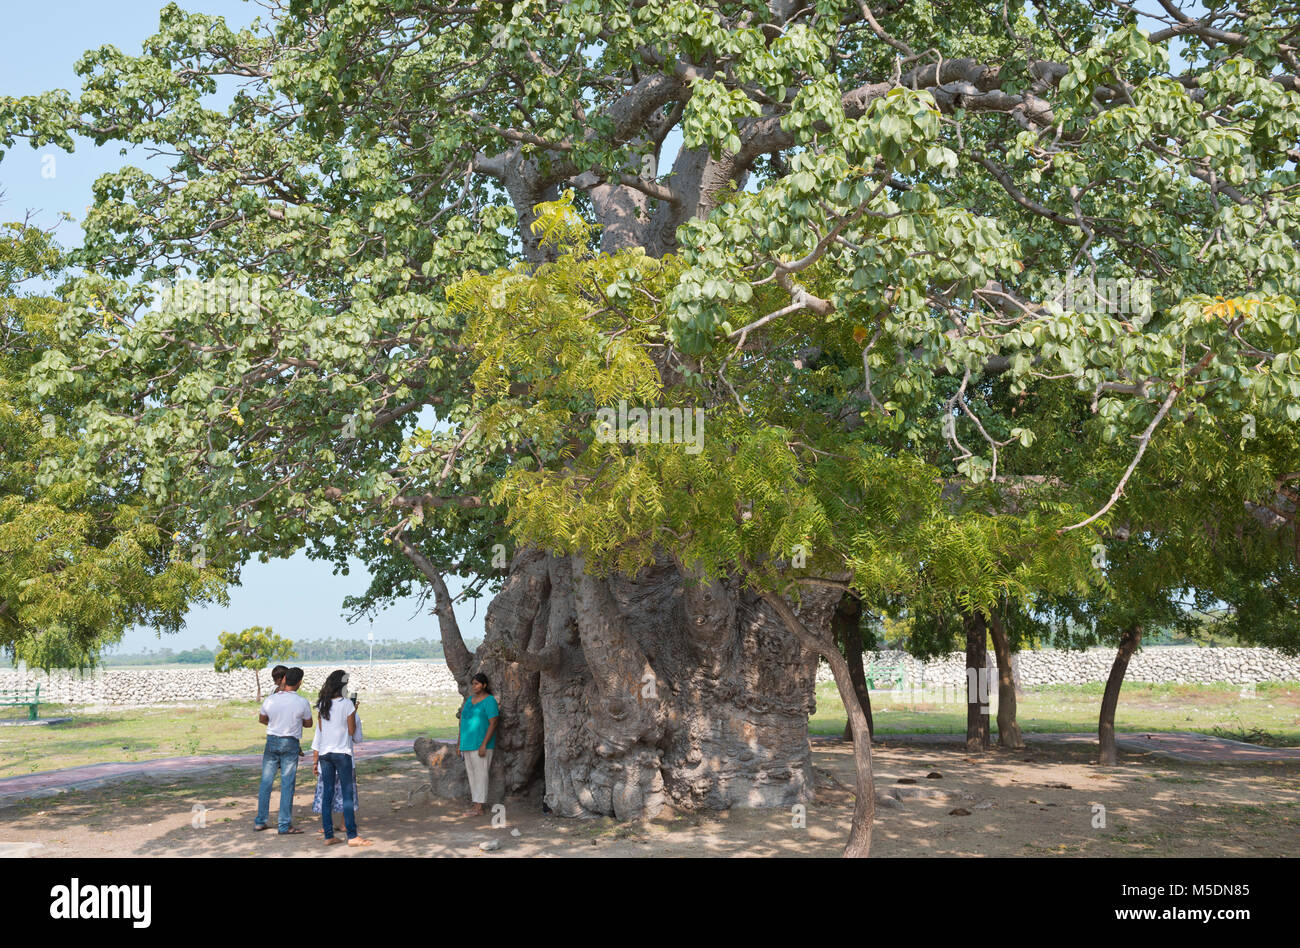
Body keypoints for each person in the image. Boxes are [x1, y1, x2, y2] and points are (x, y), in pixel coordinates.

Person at [313, 669, 372, 847]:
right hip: (342, 753)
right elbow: (352, 732)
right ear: (343, 685)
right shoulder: (347, 704)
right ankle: (352, 836)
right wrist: (354, 712)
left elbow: (322, 730)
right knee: (347, 794)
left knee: (327, 795)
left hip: (325, 753)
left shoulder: (323, 704)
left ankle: (329, 836)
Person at [254, 666, 312, 834]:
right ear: (299, 682)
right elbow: (308, 723)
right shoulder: (301, 702)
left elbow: (262, 719)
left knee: (266, 782)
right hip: (290, 743)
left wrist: (277, 723)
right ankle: (284, 824)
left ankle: (260, 821)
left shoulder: (271, 699)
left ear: (285, 679)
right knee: (287, 784)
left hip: (272, 741)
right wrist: (292, 722)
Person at [458, 672, 499, 817]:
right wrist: (459, 744)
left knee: (481, 776)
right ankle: (476, 806)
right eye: (473, 683)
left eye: (477, 683)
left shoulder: (489, 701)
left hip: (481, 745)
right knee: (472, 776)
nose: (474, 686)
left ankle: (479, 808)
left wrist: (484, 745)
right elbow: (462, 723)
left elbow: (493, 723)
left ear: (484, 685)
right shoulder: (469, 700)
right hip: (467, 744)